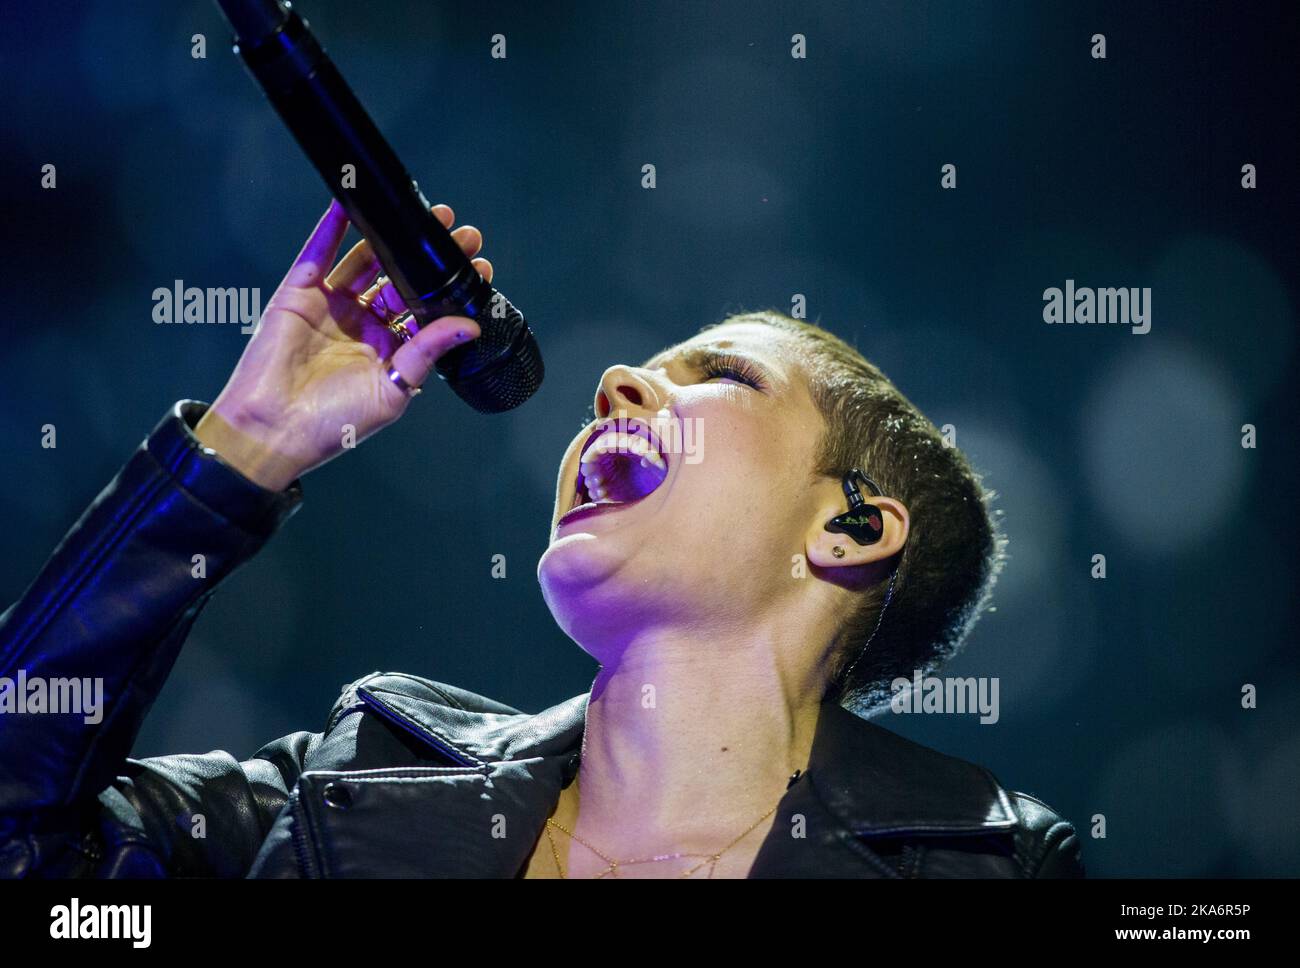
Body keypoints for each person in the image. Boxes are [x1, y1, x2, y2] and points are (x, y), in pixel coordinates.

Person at [0, 200, 1084, 878]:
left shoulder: (989, 860)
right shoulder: (344, 787)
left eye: (720, 374)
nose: (617, 382)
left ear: (848, 526)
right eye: (643, 366)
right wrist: (246, 445)